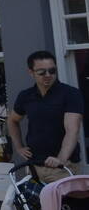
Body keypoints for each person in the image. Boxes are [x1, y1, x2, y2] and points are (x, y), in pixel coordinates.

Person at [9, 50, 86, 183]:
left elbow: (72, 130)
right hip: (34, 166)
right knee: (35, 204)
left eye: (52, 71)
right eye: (42, 72)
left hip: (62, 168)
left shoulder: (70, 94)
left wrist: (60, 159)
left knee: (65, 204)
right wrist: (19, 147)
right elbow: (12, 120)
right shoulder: (26, 96)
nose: (48, 75)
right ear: (31, 72)